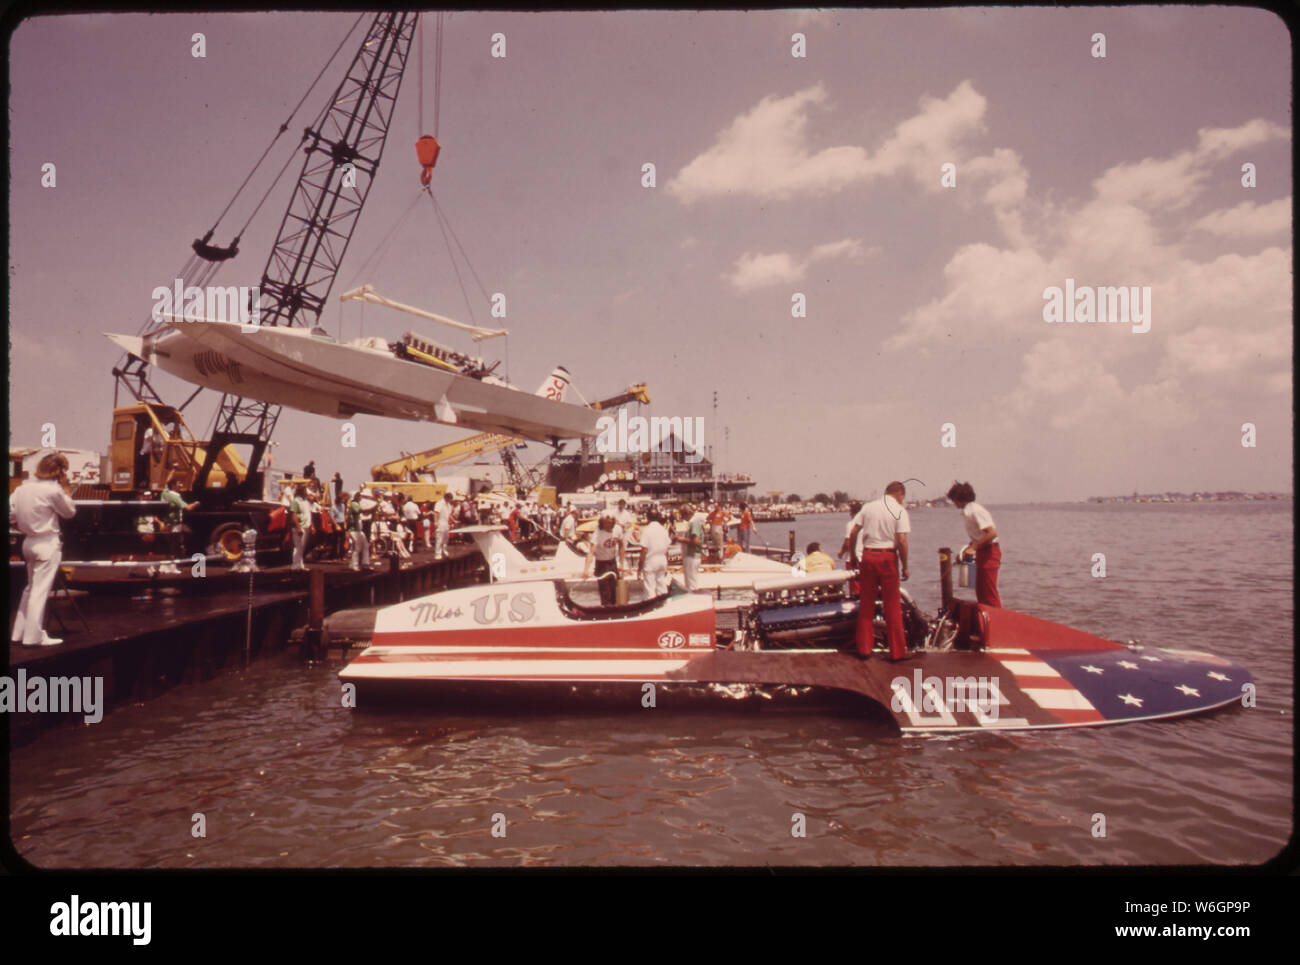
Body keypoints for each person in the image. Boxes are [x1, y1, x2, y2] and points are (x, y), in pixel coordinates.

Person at [10, 453, 77, 646]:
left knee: (30, 589)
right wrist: (66, 489)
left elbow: (9, 512)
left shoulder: (22, 489)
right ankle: (33, 636)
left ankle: (19, 633)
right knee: (39, 591)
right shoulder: (53, 490)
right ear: (60, 471)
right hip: (47, 543)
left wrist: (20, 524)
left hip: (28, 542)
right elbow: (69, 512)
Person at [845, 482, 913, 662]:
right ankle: (897, 652)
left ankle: (864, 649)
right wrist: (905, 565)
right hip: (888, 557)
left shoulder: (868, 507)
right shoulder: (899, 510)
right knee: (892, 604)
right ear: (900, 494)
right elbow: (902, 541)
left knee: (866, 603)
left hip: (868, 556)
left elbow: (853, 532)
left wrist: (852, 556)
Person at [947, 481, 1002, 607]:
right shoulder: (968, 511)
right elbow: (978, 536)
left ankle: (997, 622)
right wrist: (965, 551)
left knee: (989, 592)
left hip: (990, 552)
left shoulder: (976, 511)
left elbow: (992, 533)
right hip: (982, 552)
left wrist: (974, 547)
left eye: (953, 499)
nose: (953, 503)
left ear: (958, 498)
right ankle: (986, 622)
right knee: (981, 592)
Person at [584, 514, 625, 606]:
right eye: (605, 523)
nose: (608, 525)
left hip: (613, 562)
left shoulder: (618, 529)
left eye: (610, 523)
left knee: (614, 590)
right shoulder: (597, 534)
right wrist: (586, 569)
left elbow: (621, 546)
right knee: (605, 591)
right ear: (602, 523)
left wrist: (622, 563)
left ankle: (615, 610)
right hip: (601, 564)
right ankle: (606, 609)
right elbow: (591, 552)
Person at [638, 508, 672, 597]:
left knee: (650, 589)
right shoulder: (663, 530)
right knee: (661, 586)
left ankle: (650, 606)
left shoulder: (646, 530)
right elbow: (667, 549)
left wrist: (639, 567)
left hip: (650, 561)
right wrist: (666, 564)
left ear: (647, 518)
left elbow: (644, 550)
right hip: (662, 560)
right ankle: (664, 604)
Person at [679, 505, 704, 592]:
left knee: (691, 583)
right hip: (691, 555)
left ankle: (694, 599)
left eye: (684, 514)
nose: (683, 517)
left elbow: (696, 541)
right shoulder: (693, 522)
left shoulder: (694, 523)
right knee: (690, 582)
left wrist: (680, 539)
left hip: (692, 556)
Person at [344, 491, 370, 571]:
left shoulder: (356, 504)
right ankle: (354, 565)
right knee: (357, 548)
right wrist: (373, 507)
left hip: (358, 529)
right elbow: (361, 511)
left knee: (365, 545)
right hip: (354, 530)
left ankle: (364, 563)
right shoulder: (354, 504)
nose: (360, 497)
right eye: (359, 496)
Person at [288, 484, 311, 570]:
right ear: (301, 492)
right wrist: (298, 527)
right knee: (298, 547)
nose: (307, 493)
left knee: (302, 547)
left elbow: (308, 514)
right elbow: (293, 514)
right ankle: (295, 565)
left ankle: (300, 565)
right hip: (299, 527)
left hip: (306, 526)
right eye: (305, 491)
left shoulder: (305, 501)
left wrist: (311, 526)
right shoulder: (295, 501)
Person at [433, 491, 455, 560]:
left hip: (446, 523)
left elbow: (449, 514)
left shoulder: (449, 505)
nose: (450, 500)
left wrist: (454, 520)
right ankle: (438, 554)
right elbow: (436, 513)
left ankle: (444, 552)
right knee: (439, 539)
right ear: (446, 497)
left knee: (446, 539)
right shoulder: (439, 503)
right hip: (440, 522)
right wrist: (435, 522)